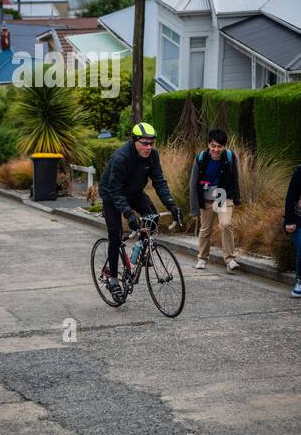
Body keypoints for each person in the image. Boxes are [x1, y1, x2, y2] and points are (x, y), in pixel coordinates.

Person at [97, 122, 182, 303]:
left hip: (134, 192)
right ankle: (113, 279)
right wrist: (129, 214)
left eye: (151, 143)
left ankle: (141, 252)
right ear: (134, 141)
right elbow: (115, 191)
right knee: (115, 235)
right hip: (112, 196)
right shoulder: (121, 158)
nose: (148, 147)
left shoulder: (153, 156)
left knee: (153, 218)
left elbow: (159, 182)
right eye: (144, 143)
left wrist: (171, 205)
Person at [190, 127, 241, 271]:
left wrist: (236, 198)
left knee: (225, 224)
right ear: (208, 145)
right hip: (205, 197)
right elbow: (193, 183)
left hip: (222, 195)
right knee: (205, 229)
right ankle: (202, 258)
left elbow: (236, 179)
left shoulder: (230, 157)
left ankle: (230, 260)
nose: (216, 149)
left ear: (224, 147)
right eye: (213, 146)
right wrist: (194, 209)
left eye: (219, 146)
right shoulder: (201, 158)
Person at [284, 161, 301, 299]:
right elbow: (291, 196)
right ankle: (299, 282)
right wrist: (289, 221)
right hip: (298, 220)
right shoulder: (300, 171)